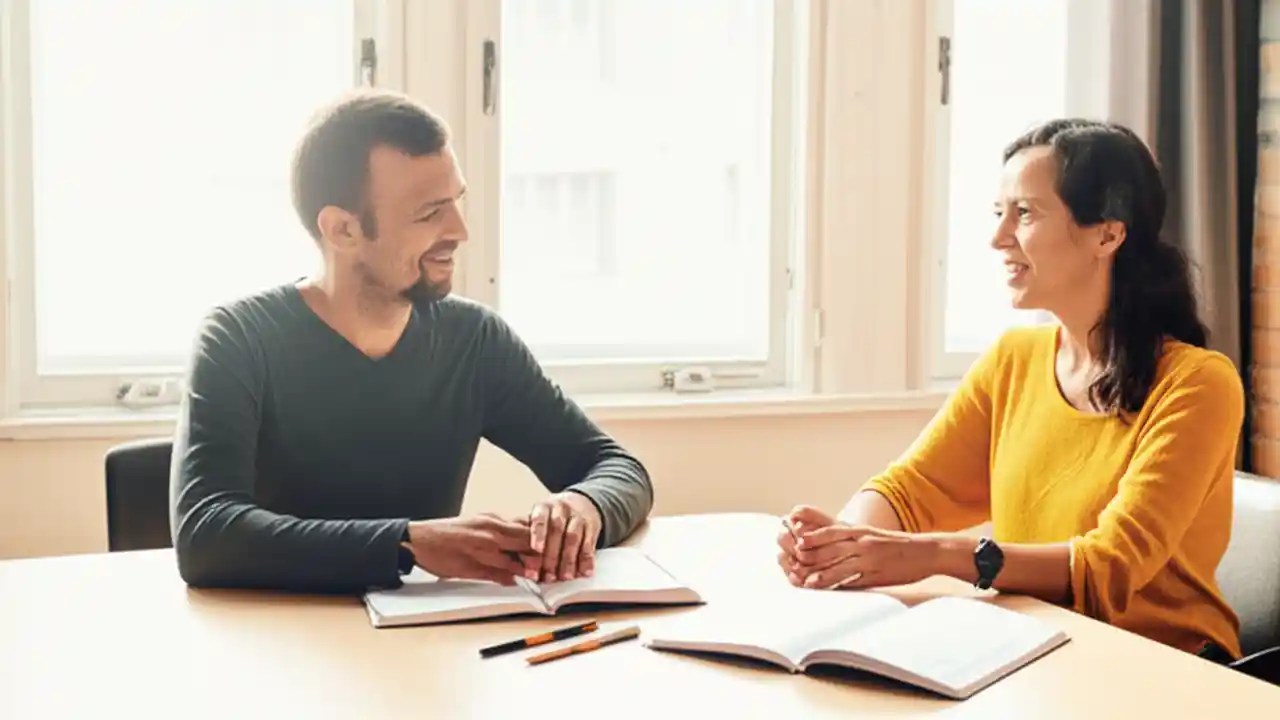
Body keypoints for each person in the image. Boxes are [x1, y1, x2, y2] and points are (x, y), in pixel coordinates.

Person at [776, 119, 1244, 660]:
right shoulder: (1013, 359)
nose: (999, 238)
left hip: (1165, 668)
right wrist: (841, 547)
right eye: (999, 213)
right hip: (1036, 650)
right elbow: (909, 489)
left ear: (1107, 235)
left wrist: (929, 556)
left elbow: (1109, 569)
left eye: (1025, 213)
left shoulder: (1198, 384)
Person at [170, 90, 653, 593]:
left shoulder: (474, 341)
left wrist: (584, 507)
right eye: (429, 214)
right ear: (342, 229)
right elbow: (207, 534)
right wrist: (405, 543)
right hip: (273, 643)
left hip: (420, 645)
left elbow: (616, 467)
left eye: (456, 204)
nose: (460, 231)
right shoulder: (238, 340)